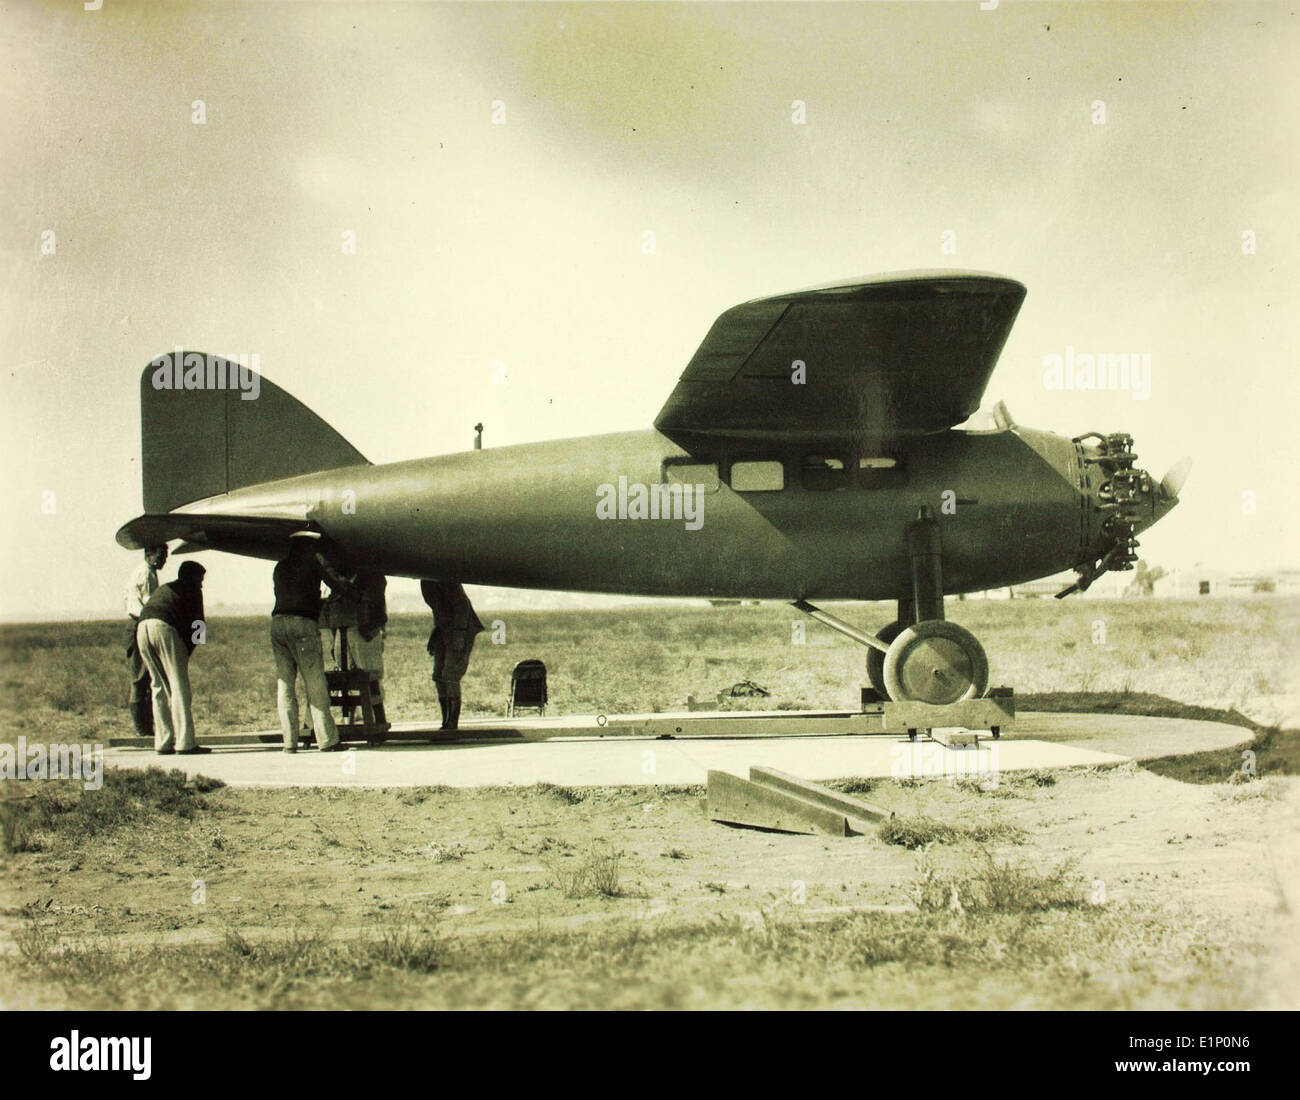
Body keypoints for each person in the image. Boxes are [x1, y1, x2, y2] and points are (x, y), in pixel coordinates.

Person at [271, 531, 357, 753]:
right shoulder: (314, 560)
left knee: (285, 684)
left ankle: (289, 743)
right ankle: (327, 740)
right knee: (315, 682)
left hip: (278, 622)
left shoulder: (280, 566)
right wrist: (355, 591)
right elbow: (337, 583)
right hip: (302, 624)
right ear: (308, 545)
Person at [136, 559, 208, 755]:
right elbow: (199, 624)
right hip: (163, 627)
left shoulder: (167, 588)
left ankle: (163, 742)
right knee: (179, 686)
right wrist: (187, 653)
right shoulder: (192, 589)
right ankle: (185, 743)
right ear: (192, 577)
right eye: (200, 579)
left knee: (158, 686)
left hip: (142, 628)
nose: (201, 584)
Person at [420, 579, 483, 731]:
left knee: (450, 675)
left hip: (460, 628)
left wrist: (459, 634)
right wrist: (436, 634)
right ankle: (445, 721)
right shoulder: (426, 581)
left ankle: (452, 723)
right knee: (438, 676)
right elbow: (439, 610)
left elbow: (462, 606)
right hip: (444, 629)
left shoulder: (443, 578)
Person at [123, 544, 167, 737]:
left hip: (139, 623)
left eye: (164, 556)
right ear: (149, 555)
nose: (163, 560)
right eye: (160, 556)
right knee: (141, 679)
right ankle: (143, 729)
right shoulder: (146, 574)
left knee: (144, 678)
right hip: (141, 623)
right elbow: (149, 604)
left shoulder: (144, 571)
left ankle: (145, 728)